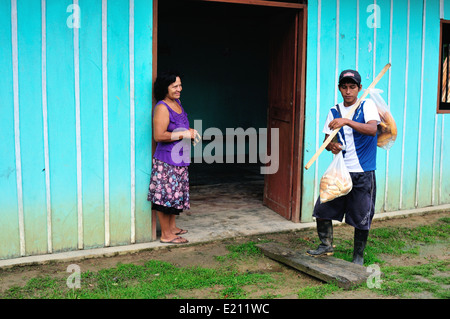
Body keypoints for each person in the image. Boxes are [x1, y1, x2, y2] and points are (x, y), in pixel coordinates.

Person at [306, 69, 381, 265]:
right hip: (340, 172)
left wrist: (347, 121)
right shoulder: (334, 111)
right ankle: (325, 245)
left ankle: (358, 255)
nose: (348, 91)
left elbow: (372, 129)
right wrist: (332, 145)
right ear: (339, 88)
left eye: (352, 87)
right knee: (322, 207)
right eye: (344, 87)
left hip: (363, 171)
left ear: (359, 88)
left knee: (362, 214)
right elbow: (326, 140)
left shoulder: (367, 105)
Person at [147, 70, 198, 244]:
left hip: (180, 158)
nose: (179, 89)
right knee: (164, 197)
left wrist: (189, 135)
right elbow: (159, 136)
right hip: (166, 160)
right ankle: (166, 235)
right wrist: (184, 133)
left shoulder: (177, 103)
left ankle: (173, 228)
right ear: (165, 87)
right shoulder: (162, 107)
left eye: (180, 85)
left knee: (175, 195)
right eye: (174, 86)